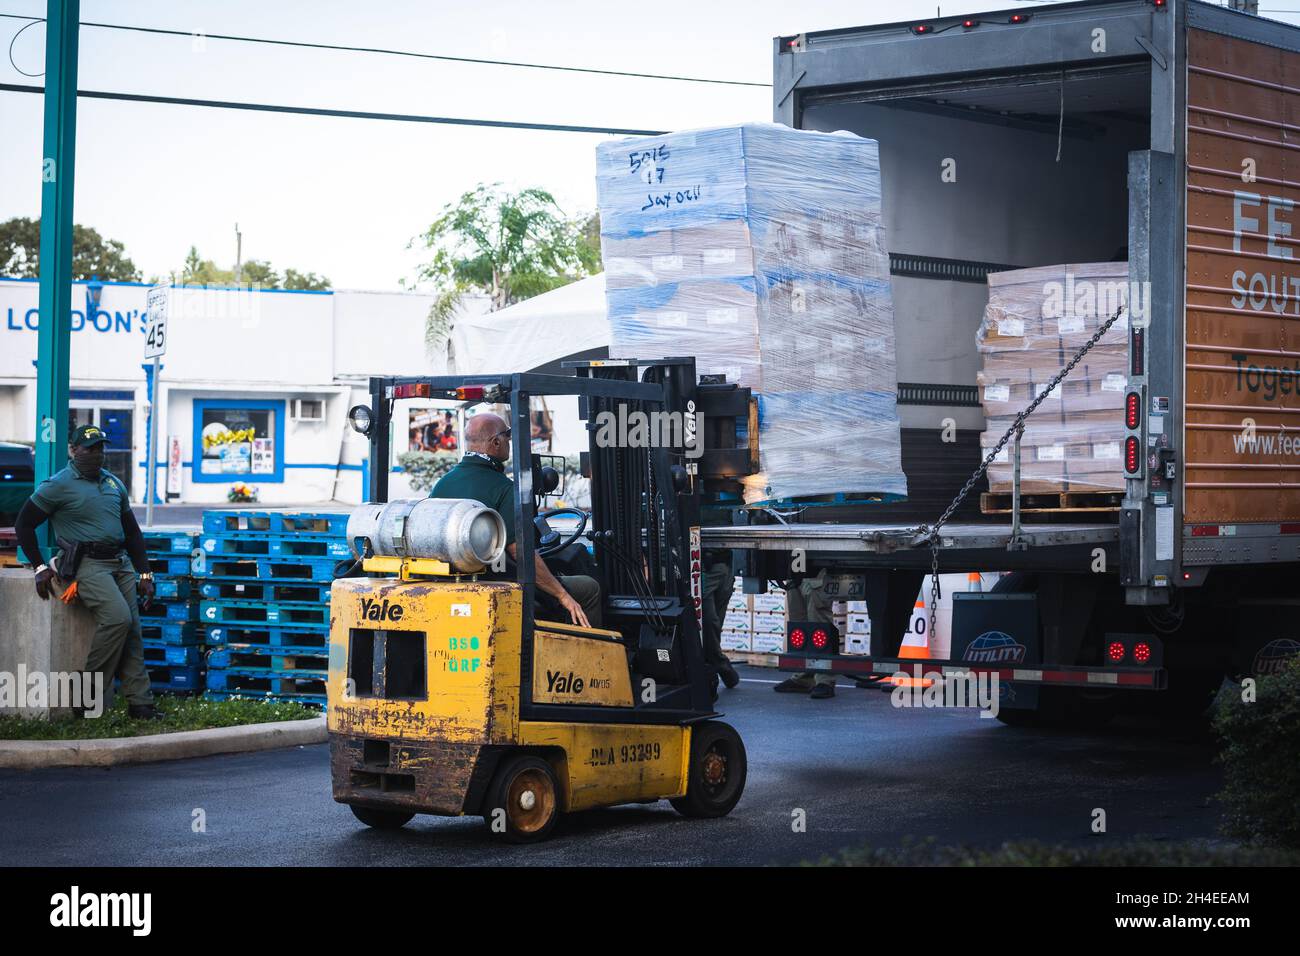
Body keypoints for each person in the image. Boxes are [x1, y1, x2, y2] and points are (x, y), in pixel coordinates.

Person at [13, 425, 160, 719]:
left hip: (120, 563)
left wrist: (145, 574)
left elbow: (132, 533)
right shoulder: (58, 484)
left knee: (132, 631)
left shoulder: (113, 483)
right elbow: (24, 524)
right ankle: (85, 694)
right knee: (118, 618)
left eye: (100, 448)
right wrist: (40, 567)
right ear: (73, 449)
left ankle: (140, 704)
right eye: (89, 448)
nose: (96, 454)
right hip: (87, 564)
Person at [429, 412, 602, 629]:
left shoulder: (442, 485)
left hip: (452, 582)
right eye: (507, 436)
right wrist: (563, 595)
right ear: (496, 442)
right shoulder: (504, 488)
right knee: (589, 588)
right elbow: (520, 552)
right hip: (500, 581)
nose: (509, 442)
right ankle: (590, 658)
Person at [773, 569, 838, 699]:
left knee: (819, 625)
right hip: (795, 567)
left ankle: (825, 679)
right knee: (799, 626)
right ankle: (803, 676)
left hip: (817, 565)